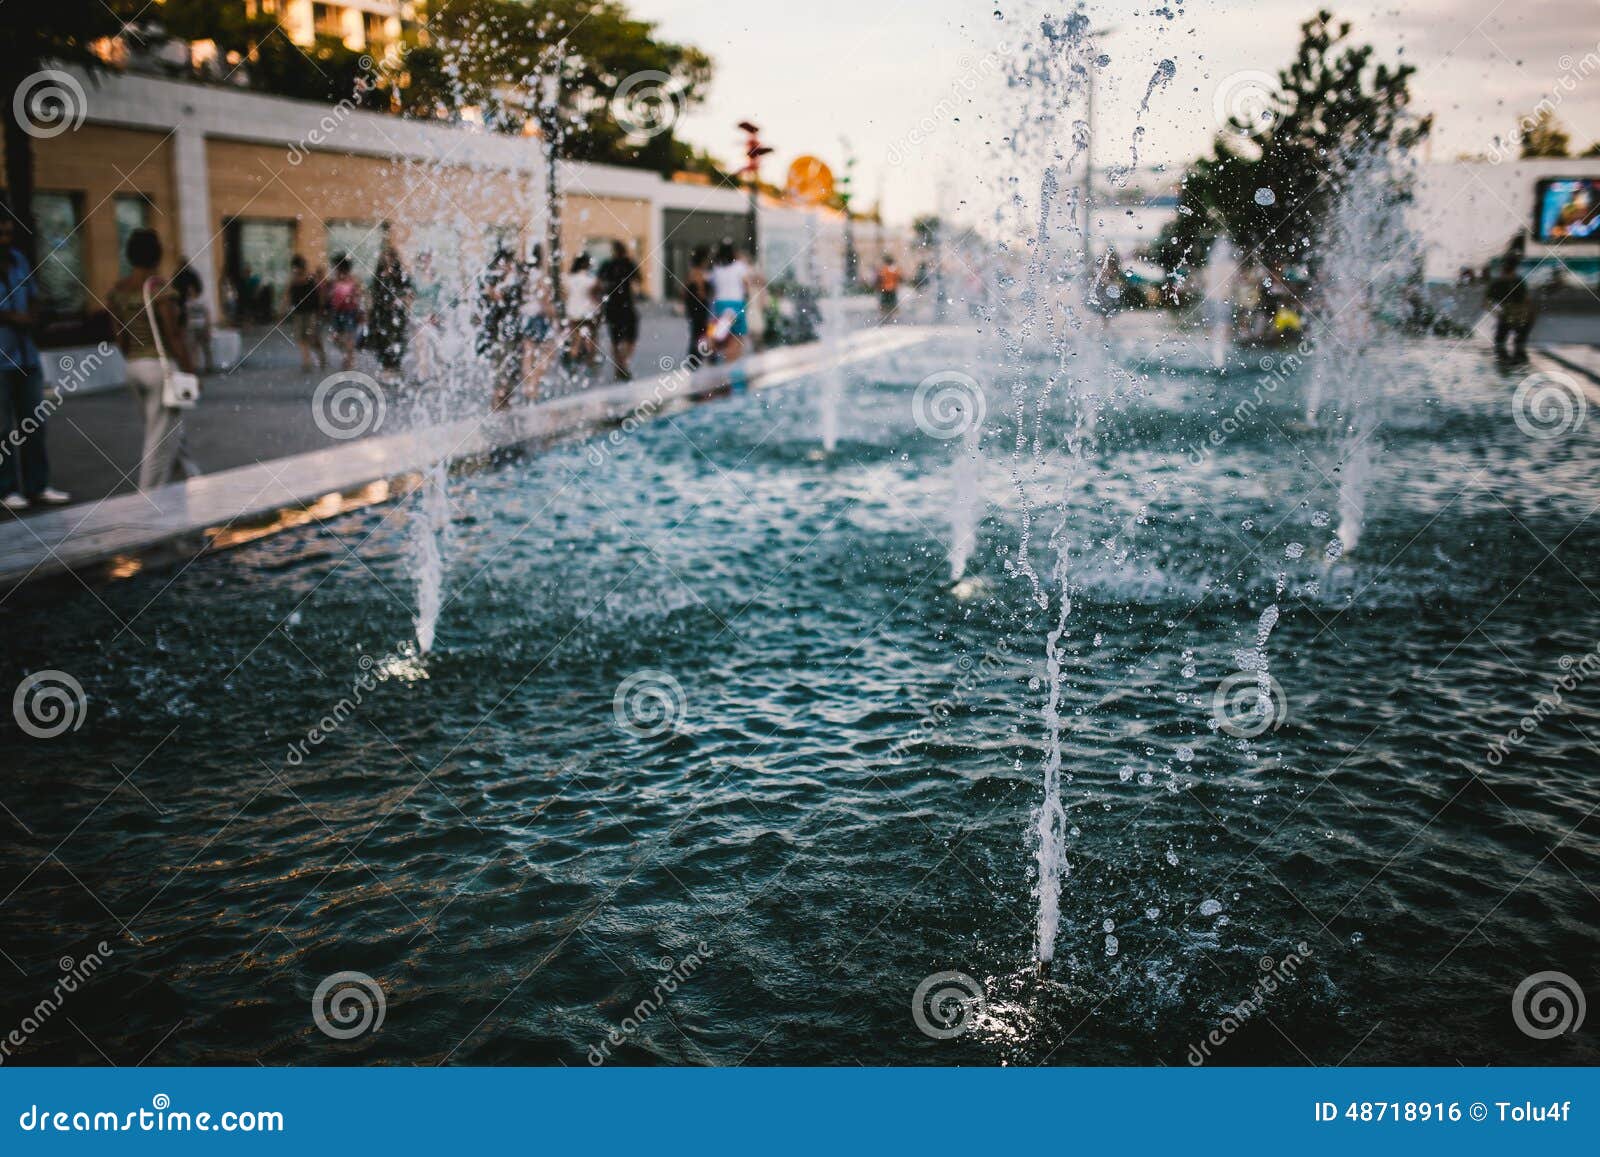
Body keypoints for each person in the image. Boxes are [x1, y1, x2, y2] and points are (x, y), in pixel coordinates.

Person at [106, 227, 199, 490]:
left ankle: (193, 476)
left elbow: (120, 338)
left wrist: (135, 359)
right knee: (158, 436)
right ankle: (148, 496)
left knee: (166, 426)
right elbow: (174, 336)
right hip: (160, 367)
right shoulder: (159, 289)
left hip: (134, 367)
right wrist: (190, 371)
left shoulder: (118, 291)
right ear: (157, 255)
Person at [0, 214, 70, 509]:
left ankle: (38, 485)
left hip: (26, 354)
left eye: (8, 231)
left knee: (34, 422)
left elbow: (32, 295)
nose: (6, 237)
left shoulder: (18, 260)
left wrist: (33, 313)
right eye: (1, 232)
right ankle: (6, 489)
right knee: (2, 427)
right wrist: (14, 317)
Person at [477, 247, 523, 409]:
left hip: (512, 332)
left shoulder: (513, 282)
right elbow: (488, 302)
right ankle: (497, 405)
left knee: (511, 370)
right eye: (507, 263)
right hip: (497, 333)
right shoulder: (491, 281)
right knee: (500, 370)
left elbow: (515, 302)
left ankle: (505, 404)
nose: (510, 266)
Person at [518, 246, 559, 402]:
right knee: (548, 352)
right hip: (537, 318)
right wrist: (554, 316)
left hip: (524, 316)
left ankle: (528, 387)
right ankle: (533, 387)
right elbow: (545, 300)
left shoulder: (523, 275)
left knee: (527, 355)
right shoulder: (541, 276)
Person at [596, 240, 642, 381]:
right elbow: (639, 280)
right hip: (626, 305)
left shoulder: (607, 265)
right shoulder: (629, 263)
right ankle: (623, 364)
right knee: (631, 338)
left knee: (615, 339)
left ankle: (619, 366)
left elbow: (598, 284)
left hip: (612, 306)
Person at [367, 242, 412, 375]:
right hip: (380, 312)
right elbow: (372, 293)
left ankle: (395, 366)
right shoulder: (378, 275)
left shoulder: (401, 275)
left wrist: (400, 300)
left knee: (397, 338)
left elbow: (409, 292)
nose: (388, 260)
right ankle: (386, 366)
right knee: (381, 339)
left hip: (397, 313)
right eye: (385, 257)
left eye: (390, 257)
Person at [708, 241, 752, 363]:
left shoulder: (716, 268)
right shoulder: (739, 266)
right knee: (737, 338)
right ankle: (731, 366)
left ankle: (715, 356)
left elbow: (712, 286)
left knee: (719, 335)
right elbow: (746, 283)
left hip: (720, 304)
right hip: (736, 303)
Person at [1486, 253, 1534, 362]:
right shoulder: (1519, 281)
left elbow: (1486, 303)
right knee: (1519, 346)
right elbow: (1527, 301)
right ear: (1516, 266)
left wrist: (1497, 313)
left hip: (1506, 316)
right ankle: (1519, 364)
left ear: (1503, 266)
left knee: (1499, 344)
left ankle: (1505, 365)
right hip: (1523, 317)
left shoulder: (1497, 282)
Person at [171, 257, 211, 373]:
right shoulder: (192, 274)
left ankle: (192, 365)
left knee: (192, 344)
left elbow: (174, 289)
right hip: (189, 311)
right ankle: (200, 365)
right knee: (201, 346)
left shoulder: (177, 275)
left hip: (183, 307)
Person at [287, 255, 326, 372]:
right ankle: (307, 361)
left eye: (297, 268)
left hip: (311, 313)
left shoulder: (311, 278)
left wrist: (321, 308)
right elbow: (288, 295)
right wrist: (284, 309)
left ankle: (320, 354)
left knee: (312, 337)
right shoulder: (293, 280)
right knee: (300, 337)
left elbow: (320, 294)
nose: (295, 270)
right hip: (299, 313)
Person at [564, 252, 602, 370]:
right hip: (588, 312)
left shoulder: (568, 279)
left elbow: (564, 294)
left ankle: (573, 361)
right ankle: (591, 362)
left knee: (576, 338)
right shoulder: (590, 279)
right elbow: (595, 294)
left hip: (573, 312)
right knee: (590, 338)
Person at [326, 256, 363, 370]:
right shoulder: (334, 281)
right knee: (337, 338)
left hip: (350, 312)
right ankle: (348, 357)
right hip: (337, 312)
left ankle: (349, 361)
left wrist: (361, 312)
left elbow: (360, 296)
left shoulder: (353, 280)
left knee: (349, 337)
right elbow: (330, 296)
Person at [683, 245, 713, 365]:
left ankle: (694, 357)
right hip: (700, 307)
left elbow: (684, 290)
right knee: (701, 332)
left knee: (696, 332)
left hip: (693, 307)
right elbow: (702, 293)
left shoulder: (691, 272)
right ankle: (696, 357)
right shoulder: (699, 273)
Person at [875, 255, 901, 321]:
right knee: (892, 302)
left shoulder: (884, 269)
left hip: (885, 288)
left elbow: (879, 278)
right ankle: (891, 314)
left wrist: (878, 286)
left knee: (884, 303)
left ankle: (884, 314)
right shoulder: (895, 270)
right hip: (892, 288)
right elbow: (898, 278)